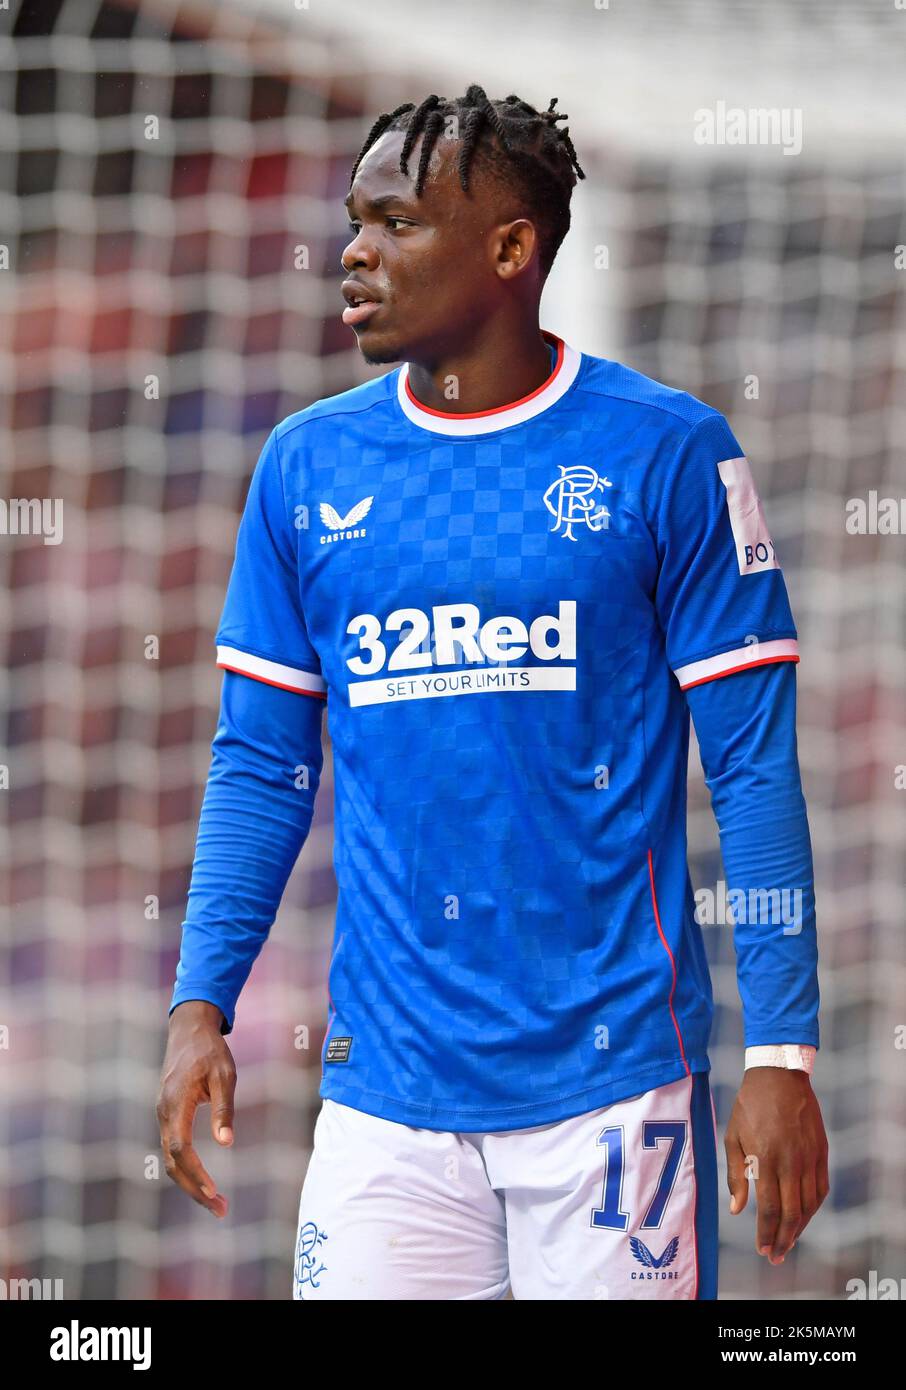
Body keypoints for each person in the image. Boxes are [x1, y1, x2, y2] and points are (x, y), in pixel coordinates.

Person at [158, 86, 828, 1300]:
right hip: (385, 1102)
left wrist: (784, 1052)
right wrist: (200, 1000)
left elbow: (752, 765)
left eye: (397, 222)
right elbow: (262, 763)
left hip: (616, 1089)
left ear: (512, 250)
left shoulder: (666, 453)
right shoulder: (308, 469)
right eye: (354, 220)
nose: (352, 252)